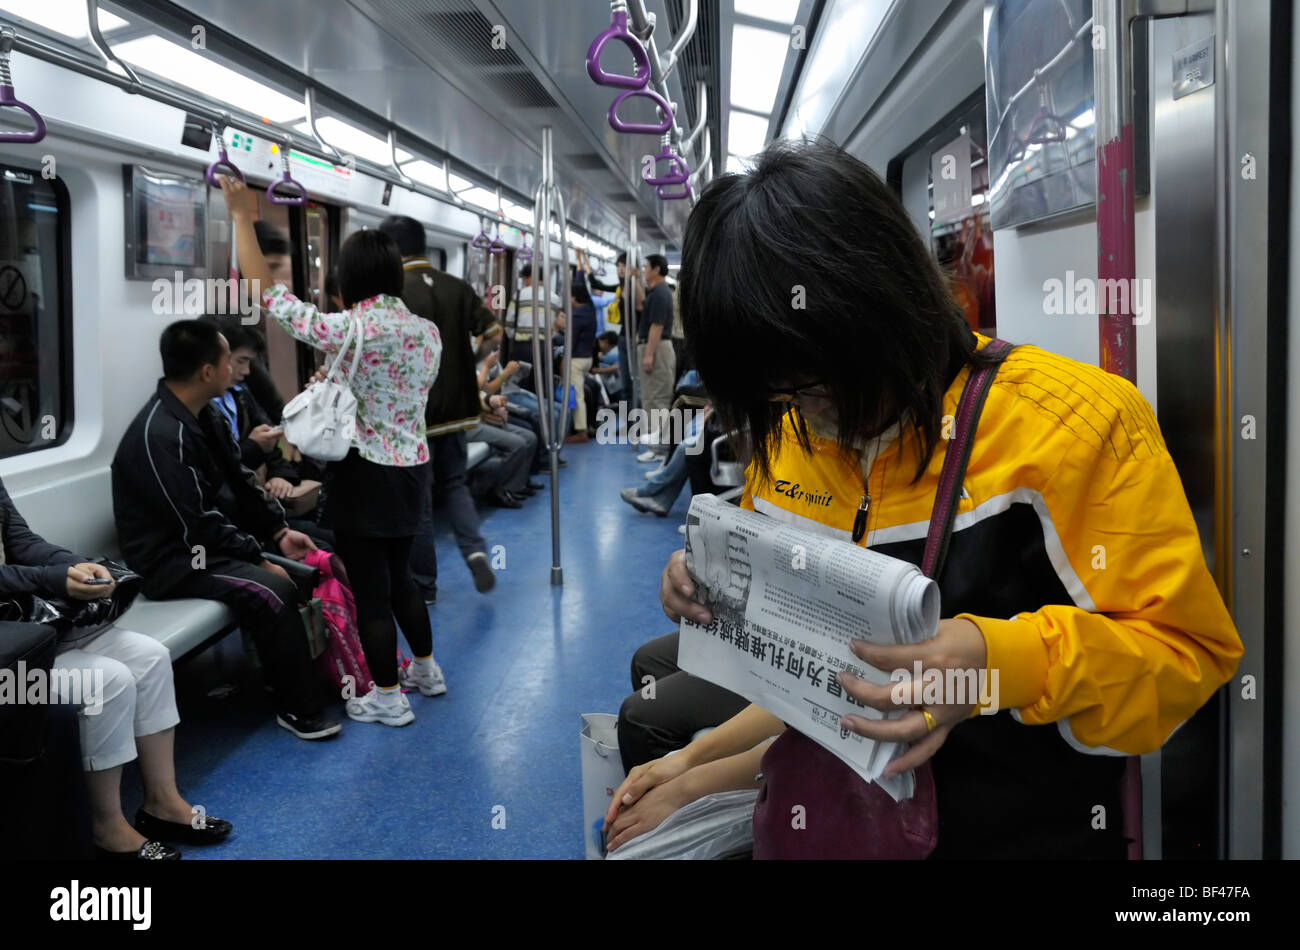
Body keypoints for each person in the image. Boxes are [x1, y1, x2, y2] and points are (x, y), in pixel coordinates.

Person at [602, 138, 1243, 857]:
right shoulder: (788, 436)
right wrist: (709, 601)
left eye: (813, 387)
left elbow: (1188, 661)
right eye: (774, 395)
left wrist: (996, 661)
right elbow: (805, 677)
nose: (806, 416)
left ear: (883, 306)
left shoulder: (1078, 426)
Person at [220, 177, 444, 727]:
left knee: (370, 591)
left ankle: (388, 699)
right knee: (403, 579)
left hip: (365, 475)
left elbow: (266, 293)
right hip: (413, 467)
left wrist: (239, 215)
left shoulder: (349, 329)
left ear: (349, 279)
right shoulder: (427, 333)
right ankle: (426, 669)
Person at [111, 320, 339, 741]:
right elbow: (194, 521)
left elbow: (239, 478)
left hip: (203, 545)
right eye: (226, 360)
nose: (241, 372)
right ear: (206, 371)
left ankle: (299, 678)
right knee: (274, 591)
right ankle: (299, 709)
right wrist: (256, 559)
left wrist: (276, 532)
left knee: (309, 564)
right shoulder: (161, 435)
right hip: (170, 560)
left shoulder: (204, 414)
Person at [0, 476, 232, 859]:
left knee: (148, 657)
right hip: (10, 650)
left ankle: (162, 803)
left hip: (23, 624)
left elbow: (22, 542)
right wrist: (53, 578)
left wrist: (75, 564)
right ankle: (105, 827)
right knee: (106, 682)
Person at [377, 214, 498, 599]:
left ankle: (424, 585)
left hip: (413, 412)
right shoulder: (456, 286)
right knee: (455, 484)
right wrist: (467, 358)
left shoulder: (392, 291)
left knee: (421, 498)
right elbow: (493, 334)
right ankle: (476, 550)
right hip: (459, 409)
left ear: (392, 250)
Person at [636, 254, 676, 460]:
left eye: (646, 267)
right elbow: (641, 306)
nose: (644, 270)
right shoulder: (656, 293)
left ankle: (660, 450)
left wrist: (649, 354)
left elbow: (657, 325)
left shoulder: (661, 293)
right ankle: (656, 446)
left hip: (657, 348)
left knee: (658, 400)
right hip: (654, 346)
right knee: (651, 399)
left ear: (657, 269)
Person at [564, 278, 598, 442]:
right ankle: (585, 425)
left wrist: (564, 358)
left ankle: (581, 431)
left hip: (576, 360)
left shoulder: (576, 315)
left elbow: (571, 340)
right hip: (587, 358)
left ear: (575, 298)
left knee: (576, 396)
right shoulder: (590, 310)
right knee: (581, 393)